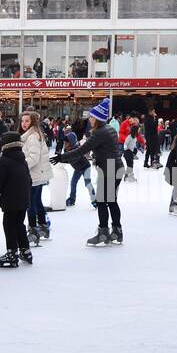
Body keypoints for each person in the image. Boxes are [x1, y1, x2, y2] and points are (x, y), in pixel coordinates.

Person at [52, 99, 124, 247]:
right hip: (116, 166)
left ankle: (104, 232)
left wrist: (62, 157)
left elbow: (81, 151)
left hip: (109, 169)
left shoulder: (100, 133)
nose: (89, 119)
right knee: (111, 200)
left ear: (97, 118)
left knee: (103, 201)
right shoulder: (109, 128)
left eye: (91, 117)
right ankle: (116, 231)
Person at [0, 129, 33, 269]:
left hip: (11, 200)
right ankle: (25, 250)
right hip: (23, 199)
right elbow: (29, 180)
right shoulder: (22, 160)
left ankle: (12, 253)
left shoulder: (4, 161)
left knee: (9, 225)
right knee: (19, 224)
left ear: (6, 145)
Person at [20, 109, 53, 243]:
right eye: (22, 121)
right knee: (37, 201)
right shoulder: (35, 134)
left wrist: (20, 165)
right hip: (39, 174)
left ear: (32, 122)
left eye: (27, 121)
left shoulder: (32, 136)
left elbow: (33, 158)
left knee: (30, 203)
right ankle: (43, 227)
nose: (24, 123)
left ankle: (33, 230)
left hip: (34, 175)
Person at [62, 131, 95, 208]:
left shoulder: (77, 150)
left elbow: (73, 159)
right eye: (64, 143)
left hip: (85, 167)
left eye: (66, 143)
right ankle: (72, 199)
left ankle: (94, 200)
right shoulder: (67, 150)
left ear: (71, 143)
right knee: (73, 183)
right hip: (78, 169)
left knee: (87, 183)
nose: (65, 144)